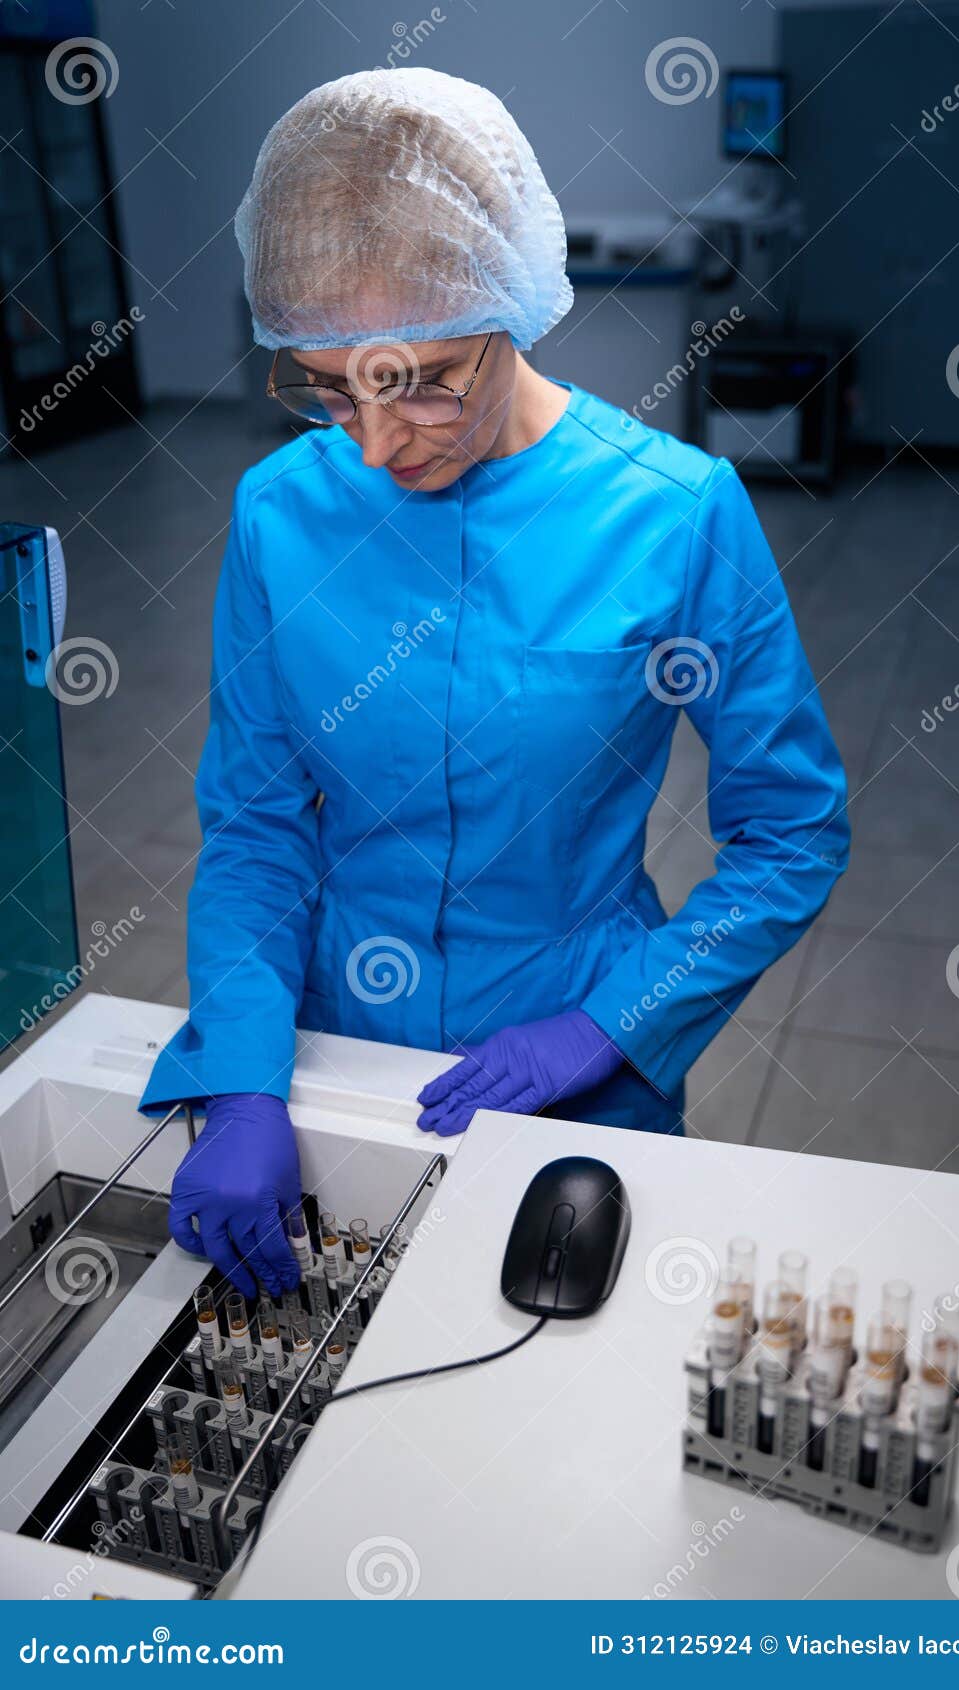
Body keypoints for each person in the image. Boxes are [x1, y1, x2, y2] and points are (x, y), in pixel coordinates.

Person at [142, 68, 849, 1299]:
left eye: (419, 378)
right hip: (333, 1047)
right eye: (328, 383)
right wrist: (246, 1074)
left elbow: (790, 833)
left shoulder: (676, 514)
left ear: (508, 304)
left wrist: (611, 1026)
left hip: (585, 1038)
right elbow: (256, 827)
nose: (373, 438)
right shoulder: (280, 512)